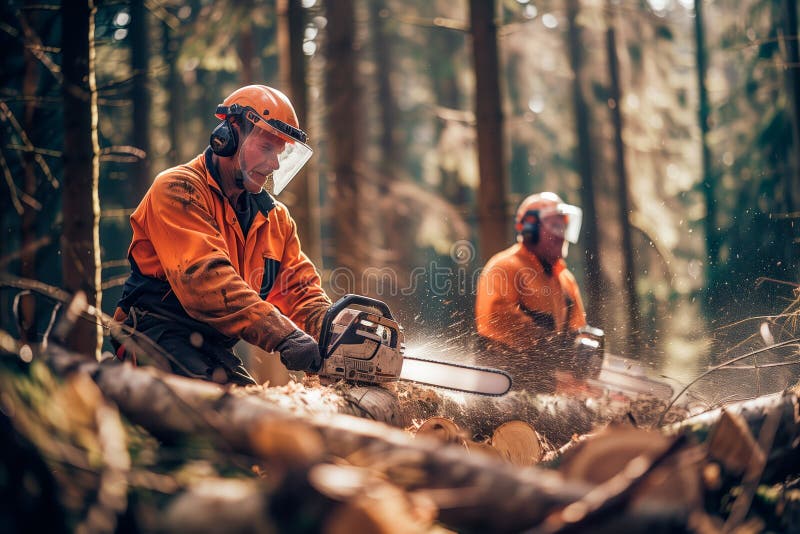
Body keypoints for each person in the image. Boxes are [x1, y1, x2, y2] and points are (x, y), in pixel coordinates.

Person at [112, 85, 331, 386]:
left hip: (212, 349)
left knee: (262, 413)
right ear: (228, 135)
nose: (275, 164)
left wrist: (335, 329)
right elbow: (206, 283)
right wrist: (284, 335)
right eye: (267, 148)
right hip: (156, 336)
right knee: (230, 422)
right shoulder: (178, 189)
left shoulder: (274, 220)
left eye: (279, 153)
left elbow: (301, 291)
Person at [475, 192, 600, 393]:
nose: (561, 235)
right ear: (530, 228)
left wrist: (581, 353)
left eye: (563, 226)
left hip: (545, 383)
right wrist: (551, 348)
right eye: (555, 226)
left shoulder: (565, 280)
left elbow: (577, 328)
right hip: (505, 380)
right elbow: (497, 320)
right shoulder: (505, 267)